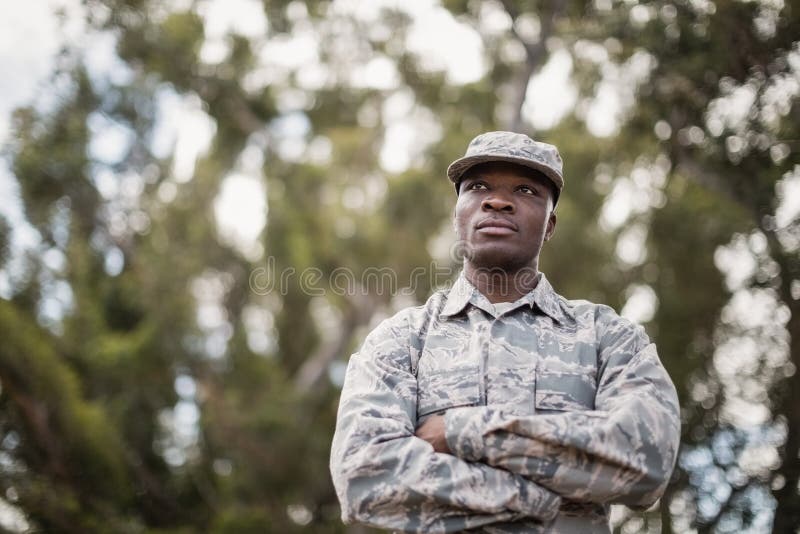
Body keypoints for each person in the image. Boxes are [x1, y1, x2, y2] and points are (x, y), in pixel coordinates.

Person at [329, 131, 681, 533]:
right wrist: (536, 498)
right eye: (478, 187)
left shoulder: (610, 338)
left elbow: (647, 460)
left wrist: (461, 432)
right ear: (456, 213)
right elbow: (363, 477)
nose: (497, 201)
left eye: (526, 190)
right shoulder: (400, 340)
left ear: (549, 226)